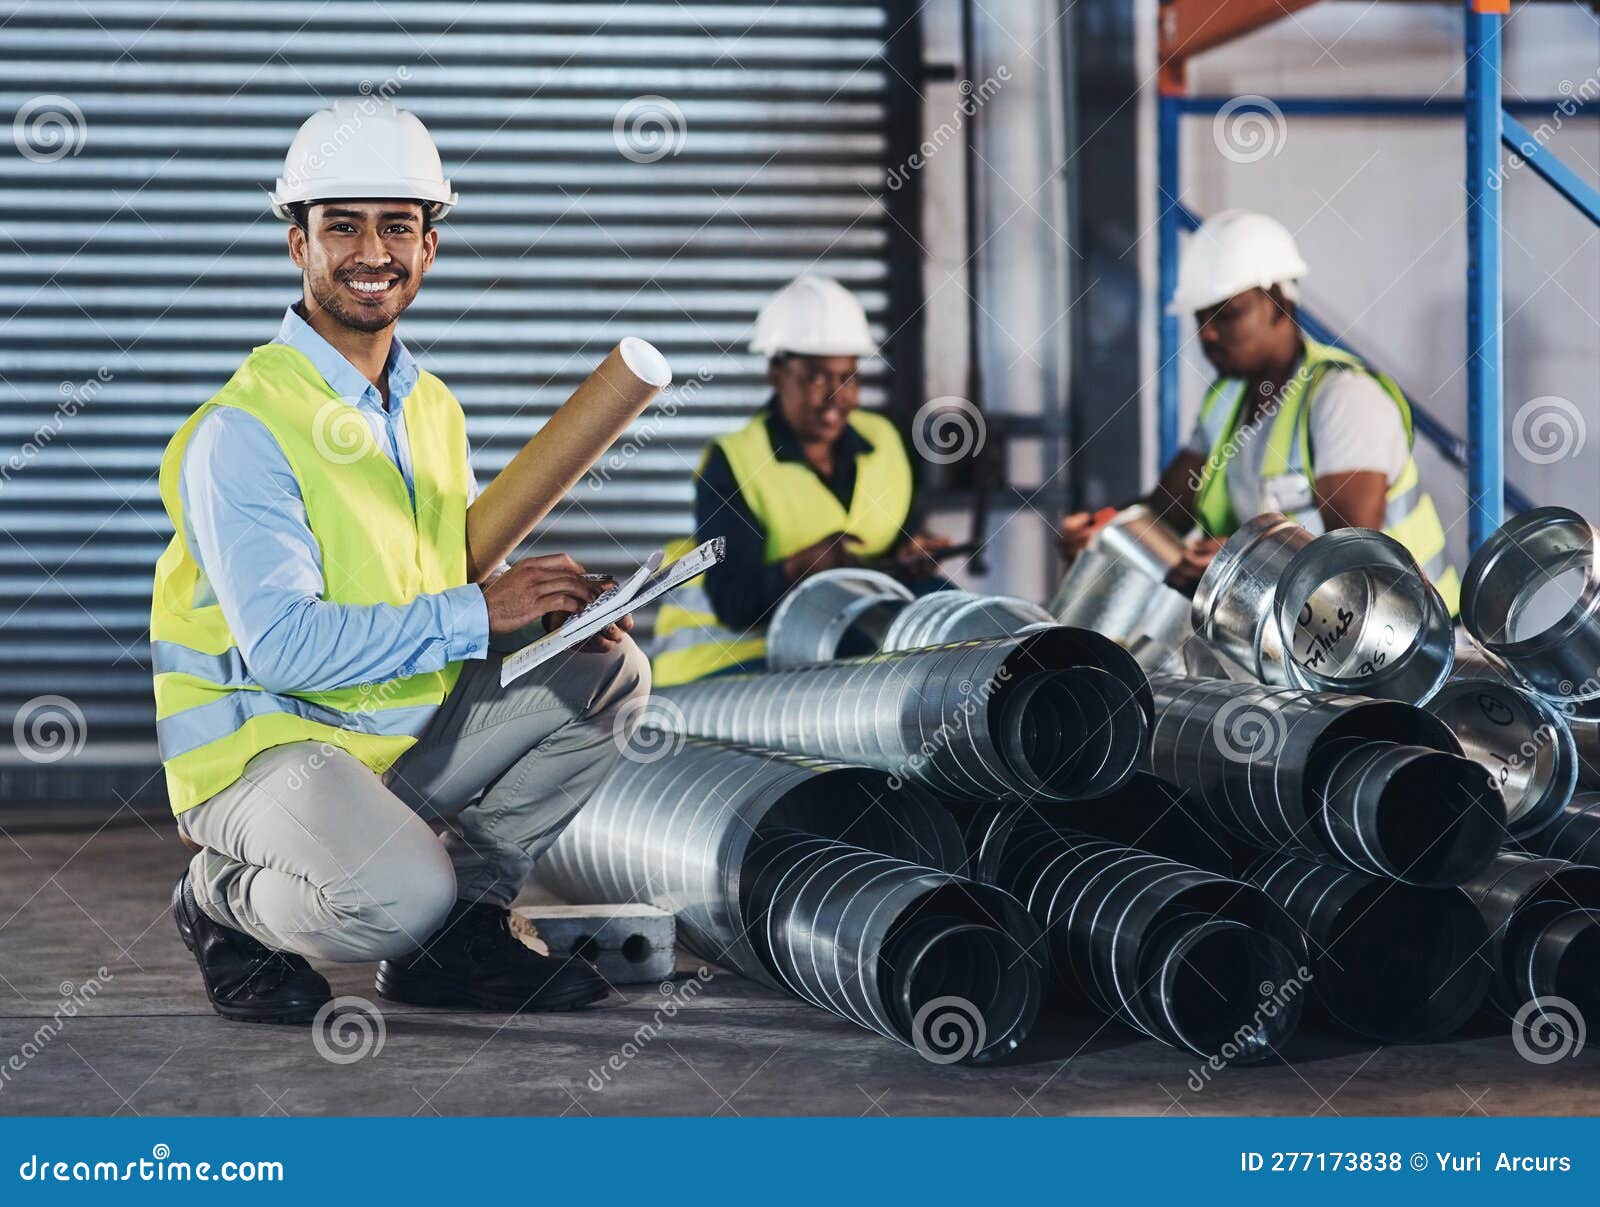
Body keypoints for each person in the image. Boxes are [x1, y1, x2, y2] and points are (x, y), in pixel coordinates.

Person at [151, 99, 649, 1024]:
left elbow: (426, 576)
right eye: (341, 225)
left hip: (388, 733)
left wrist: (544, 612)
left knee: (608, 671)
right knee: (393, 897)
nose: (370, 251)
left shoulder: (432, 411)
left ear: (429, 249)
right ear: (298, 244)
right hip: (264, 750)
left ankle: (461, 931)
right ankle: (220, 899)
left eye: (397, 227)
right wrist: (481, 612)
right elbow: (287, 650)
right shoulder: (245, 429)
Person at [1059, 210, 1459, 611]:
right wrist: (1103, 534)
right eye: (1200, 318)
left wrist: (1244, 564)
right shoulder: (1227, 400)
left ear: (1280, 303)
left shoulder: (1345, 397)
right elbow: (1166, 513)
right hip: (1315, 641)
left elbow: (1352, 558)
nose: (1208, 333)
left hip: (1410, 640)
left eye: (1227, 314)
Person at [650, 275, 953, 686]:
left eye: (849, 377)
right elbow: (734, 604)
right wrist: (797, 569)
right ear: (776, 375)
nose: (836, 396)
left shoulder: (884, 440)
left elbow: (898, 540)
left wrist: (909, 554)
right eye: (815, 377)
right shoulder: (736, 460)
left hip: (854, 647)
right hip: (755, 666)